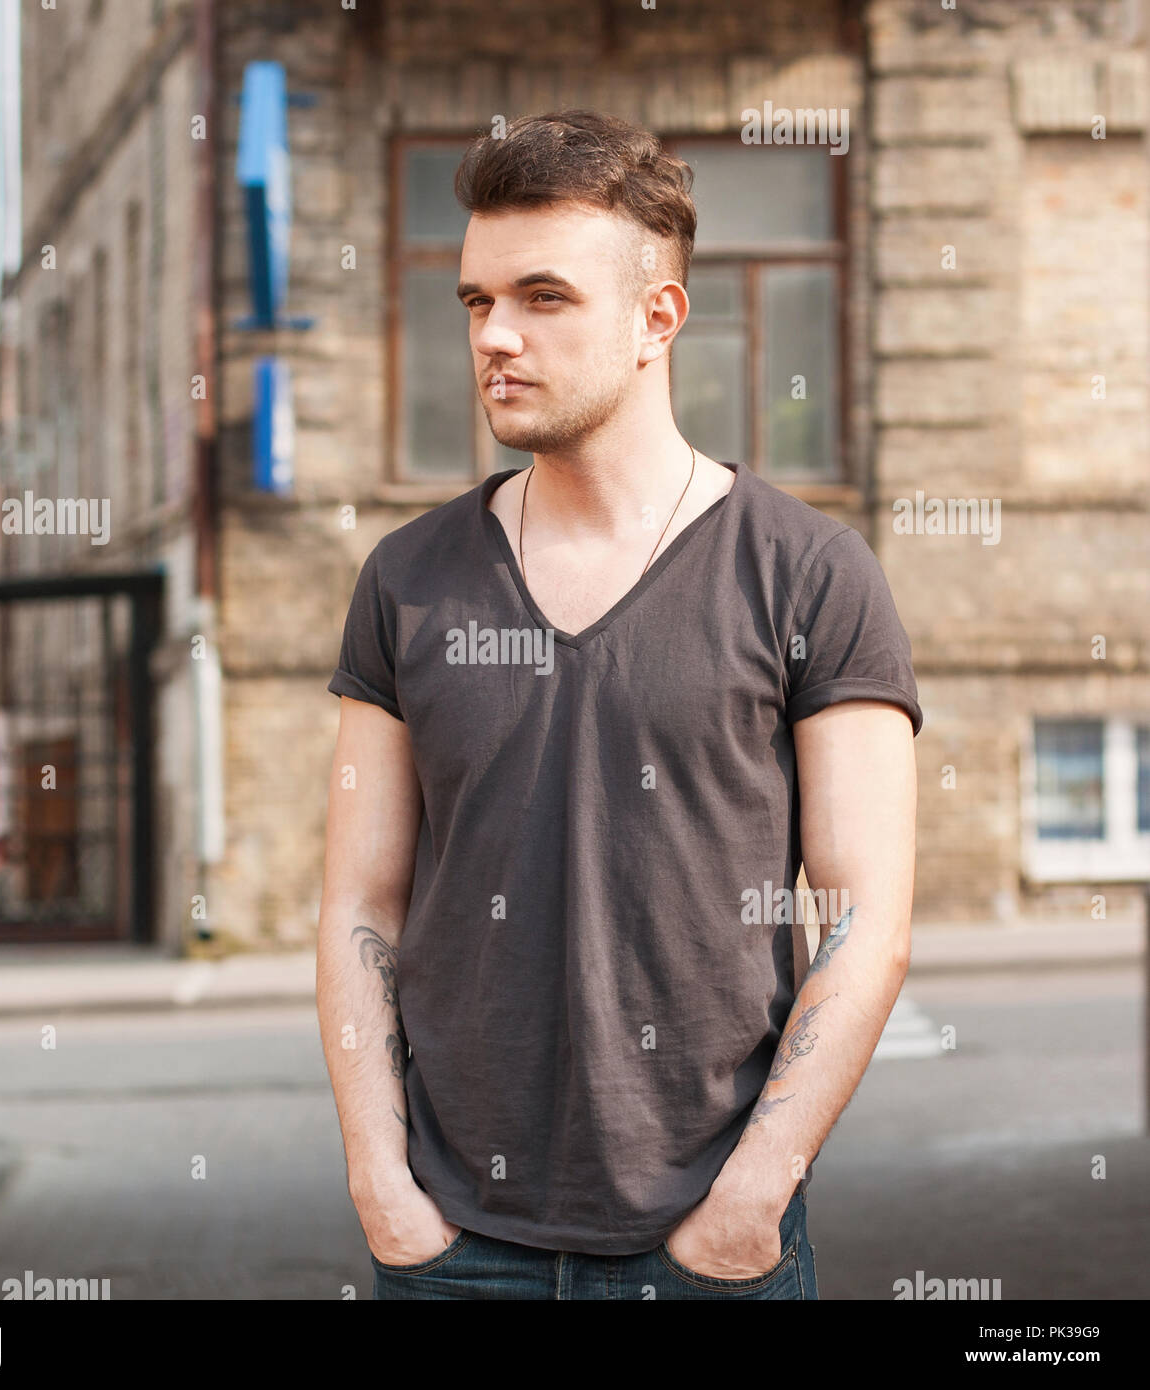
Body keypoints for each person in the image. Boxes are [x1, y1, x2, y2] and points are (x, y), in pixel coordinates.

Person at [317, 109, 921, 1301]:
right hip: (452, 1249)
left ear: (659, 319)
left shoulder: (806, 572)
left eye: (543, 297)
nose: (494, 335)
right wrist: (379, 1180)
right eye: (476, 301)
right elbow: (358, 901)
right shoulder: (409, 579)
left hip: (707, 1249)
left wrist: (754, 1195)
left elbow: (866, 922)